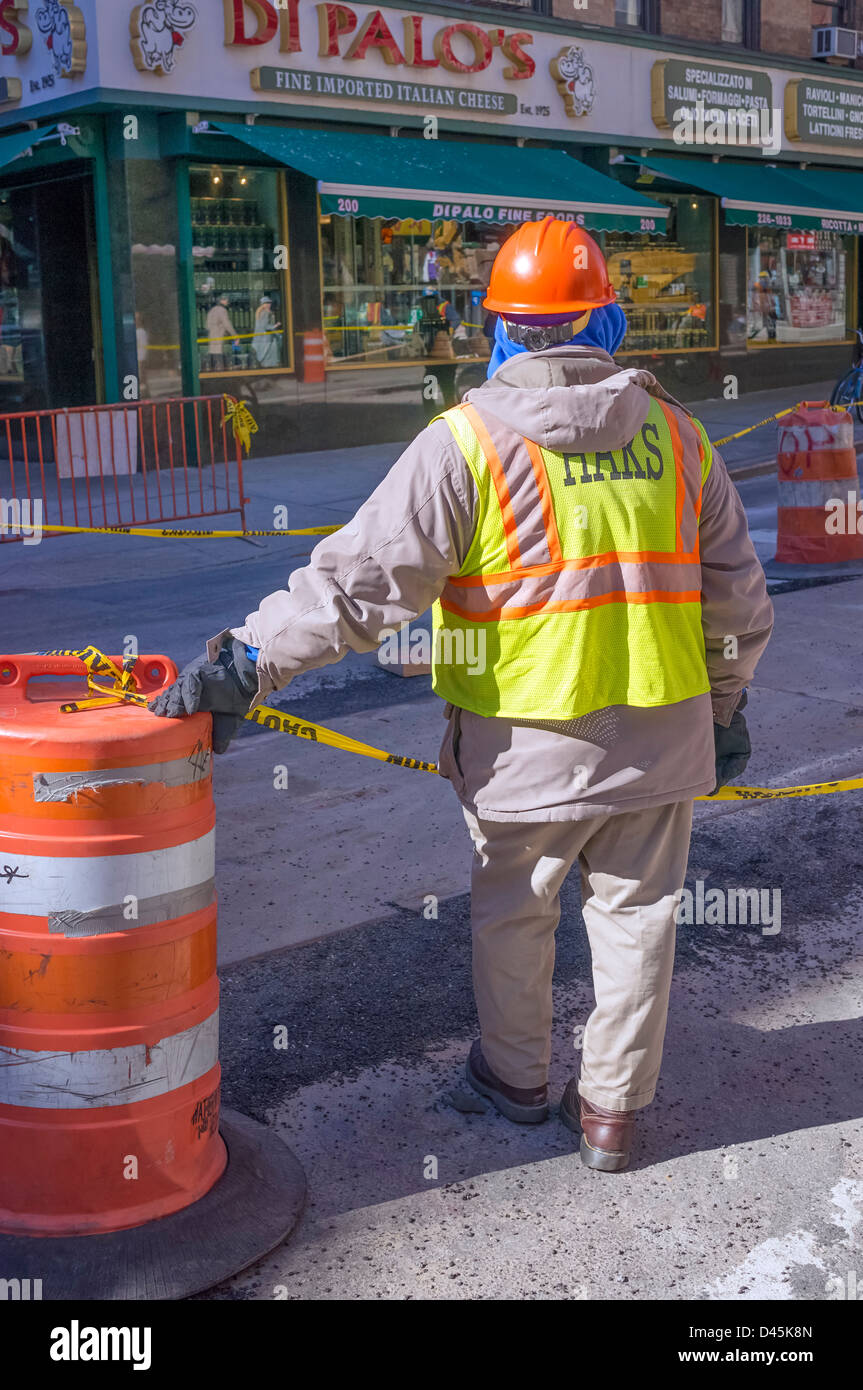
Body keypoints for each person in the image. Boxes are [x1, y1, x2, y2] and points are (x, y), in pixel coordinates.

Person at [150, 219, 773, 1172]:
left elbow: (358, 588)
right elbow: (735, 600)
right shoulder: (680, 436)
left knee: (513, 915)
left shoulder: (464, 443)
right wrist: (724, 705)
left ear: (502, 329)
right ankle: (611, 1115)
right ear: (605, 318)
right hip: (658, 737)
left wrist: (247, 662)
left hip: (522, 747)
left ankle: (514, 1080)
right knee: (639, 922)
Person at [206, 293, 238, 370]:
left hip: (212, 337)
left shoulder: (212, 310)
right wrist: (235, 335)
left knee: (213, 356)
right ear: (221, 301)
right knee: (219, 358)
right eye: (226, 299)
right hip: (219, 336)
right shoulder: (222, 310)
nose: (227, 301)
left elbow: (207, 325)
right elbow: (227, 324)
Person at [251, 294, 281, 368]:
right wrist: (275, 325)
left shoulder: (260, 312)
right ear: (263, 304)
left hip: (261, 339)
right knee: (267, 358)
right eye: (267, 303)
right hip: (266, 339)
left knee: (264, 358)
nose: (268, 305)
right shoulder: (265, 313)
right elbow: (265, 326)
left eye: (269, 303)